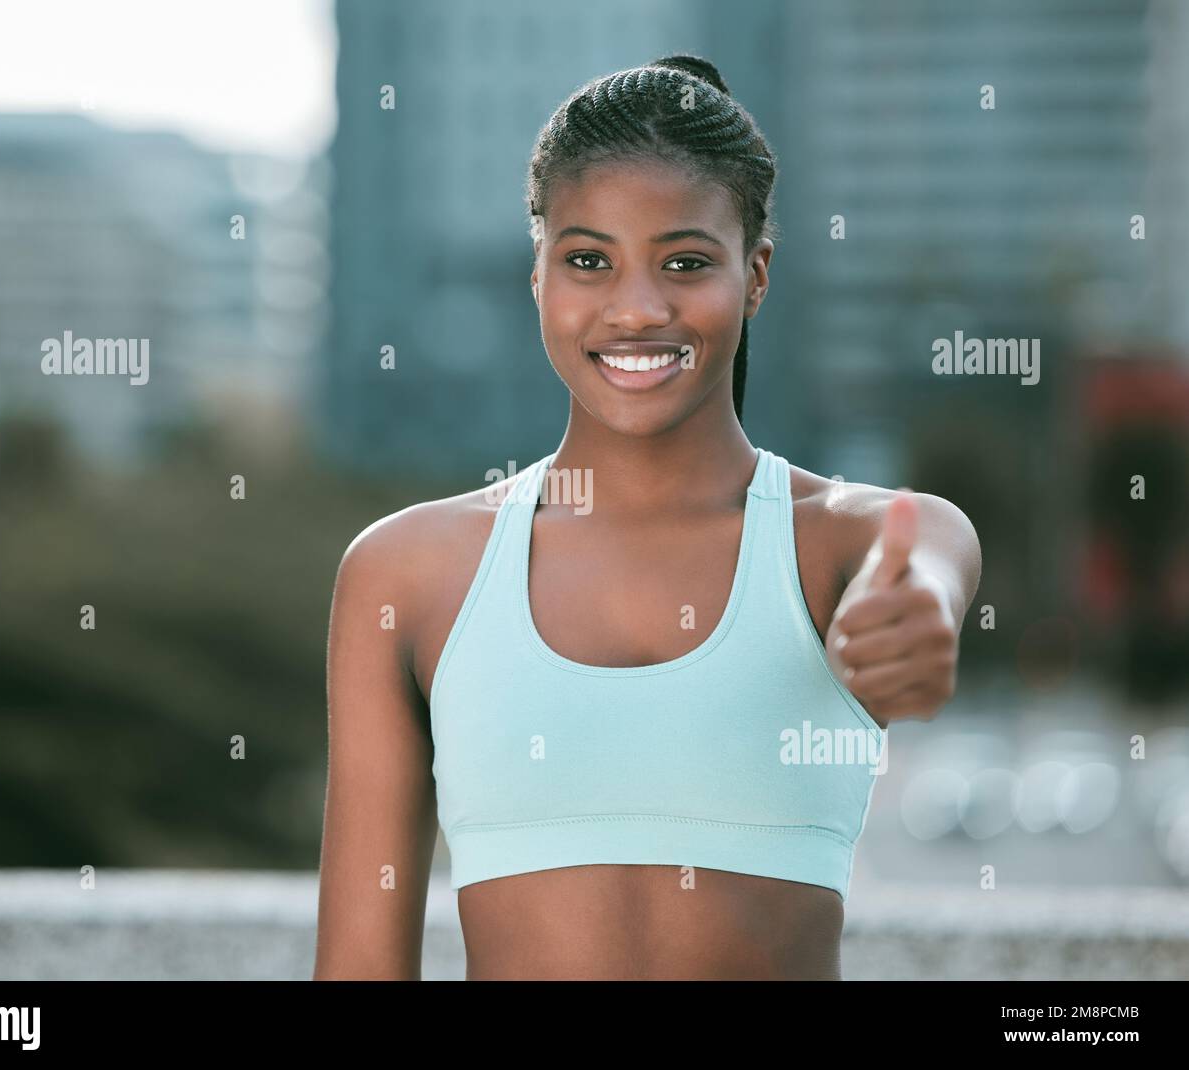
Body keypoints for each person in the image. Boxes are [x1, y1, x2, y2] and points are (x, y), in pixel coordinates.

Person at [312, 54, 982, 980]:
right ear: (538, 277)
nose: (637, 308)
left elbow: (930, 574)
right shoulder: (405, 574)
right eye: (589, 260)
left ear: (755, 276)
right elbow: (358, 971)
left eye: (685, 263)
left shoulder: (852, 541)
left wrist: (914, 618)